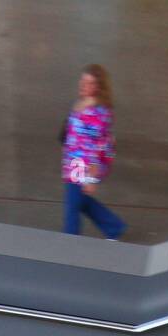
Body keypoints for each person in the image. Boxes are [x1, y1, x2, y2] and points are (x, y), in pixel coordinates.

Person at [62, 65, 126, 239]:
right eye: (82, 80)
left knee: (72, 207)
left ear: (98, 87)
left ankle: (68, 242)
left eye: (89, 83)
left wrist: (91, 179)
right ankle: (114, 226)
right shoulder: (79, 104)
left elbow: (95, 148)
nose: (83, 85)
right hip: (73, 162)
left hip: (85, 166)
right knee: (79, 202)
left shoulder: (98, 113)